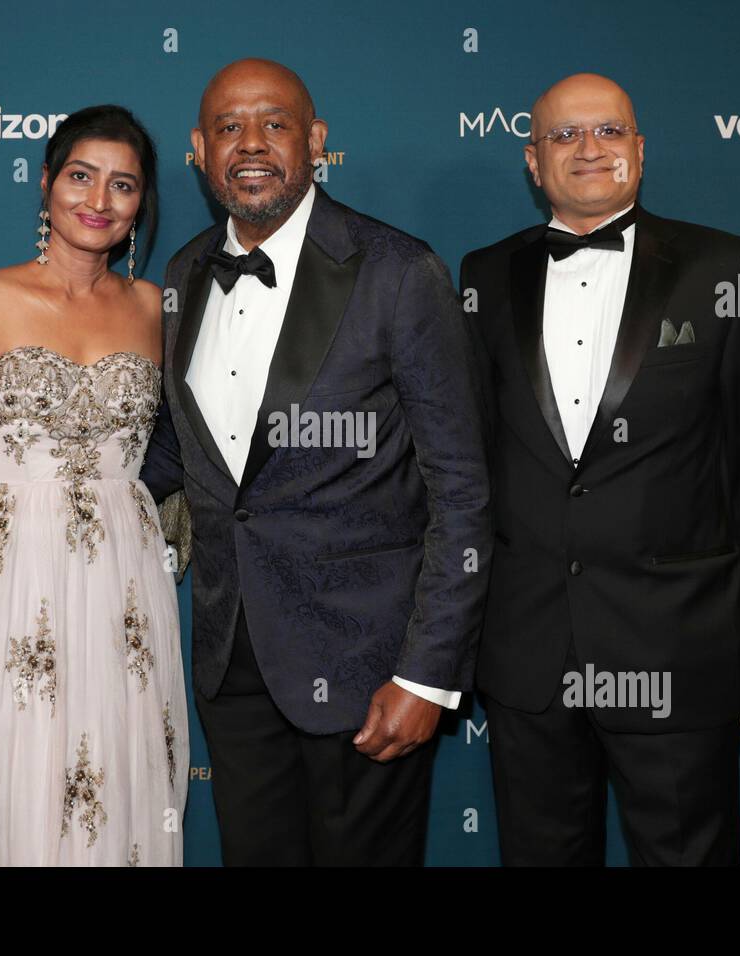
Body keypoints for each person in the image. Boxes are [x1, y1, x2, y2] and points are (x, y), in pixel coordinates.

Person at [140, 58, 491, 866]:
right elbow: (185, 453)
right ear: (199, 148)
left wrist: (427, 677)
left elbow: (462, 491)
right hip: (233, 667)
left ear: (316, 140)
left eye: (275, 123)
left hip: (369, 670)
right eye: (229, 127)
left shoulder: (399, 271)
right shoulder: (186, 274)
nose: (251, 143)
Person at [460, 73, 740, 865]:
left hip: (676, 646)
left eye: (608, 132)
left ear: (640, 151)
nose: (588, 149)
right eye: (564, 135)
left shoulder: (727, 266)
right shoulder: (482, 275)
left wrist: (708, 588)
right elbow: (472, 451)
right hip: (528, 654)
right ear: (532, 160)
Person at [0, 105, 189, 866]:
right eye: (81, 176)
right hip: (5, 594)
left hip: (125, 604)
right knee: (4, 798)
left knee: (121, 805)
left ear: (140, 206)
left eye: (124, 185)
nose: (99, 199)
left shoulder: (160, 311)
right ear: (47, 183)